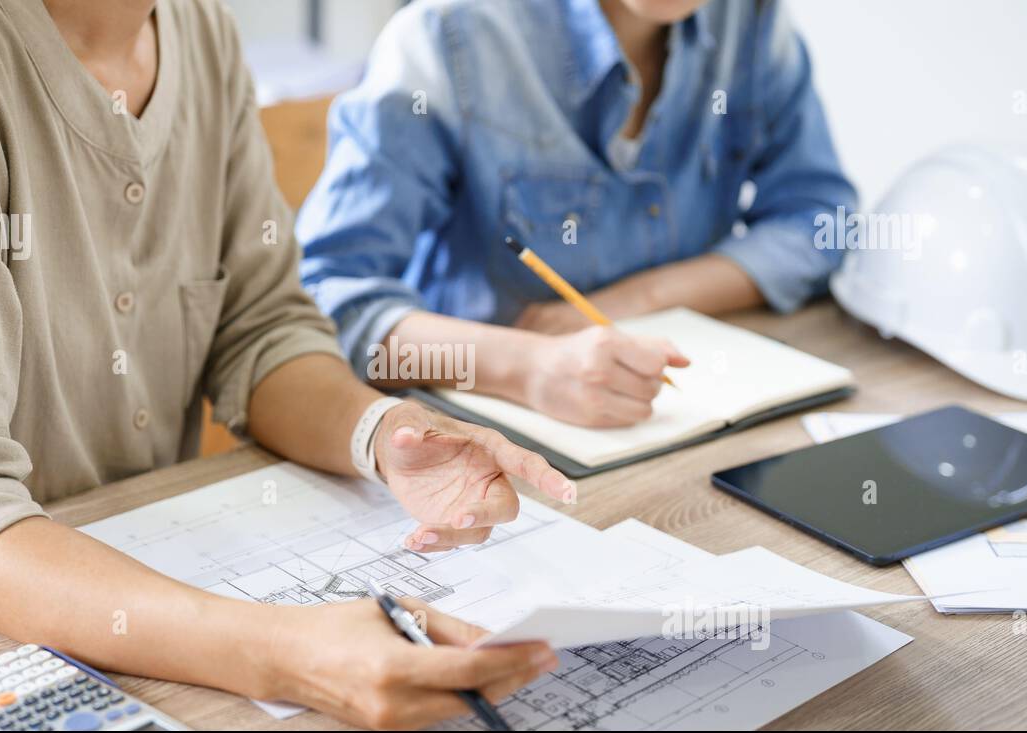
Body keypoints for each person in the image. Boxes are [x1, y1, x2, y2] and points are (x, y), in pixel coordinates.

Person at [0, 0, 575, 730]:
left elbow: (260, 329)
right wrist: (289, 649)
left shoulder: (200, 31)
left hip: (134, 585)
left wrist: (384, 430)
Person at [297, 0, 858, 428]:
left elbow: (821, 217)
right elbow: (322, 297)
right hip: (478, 444)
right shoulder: (449, 34)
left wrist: (639, 300)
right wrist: (525, 366)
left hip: (676, 426)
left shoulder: (752, 22)